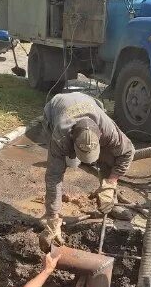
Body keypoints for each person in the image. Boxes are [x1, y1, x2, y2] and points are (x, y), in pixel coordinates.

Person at [40, 92, 135, 250]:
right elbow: (53, 177)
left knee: (110, 158)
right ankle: (51, 214)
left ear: (100, 136)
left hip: (89, 103)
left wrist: (110, 184)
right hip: (54, 110)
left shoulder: (108, 130)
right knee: (68, 163)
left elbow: (128, 152)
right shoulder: (60, 137)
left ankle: (109, 200)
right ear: (73, 142)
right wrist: (53, 218)